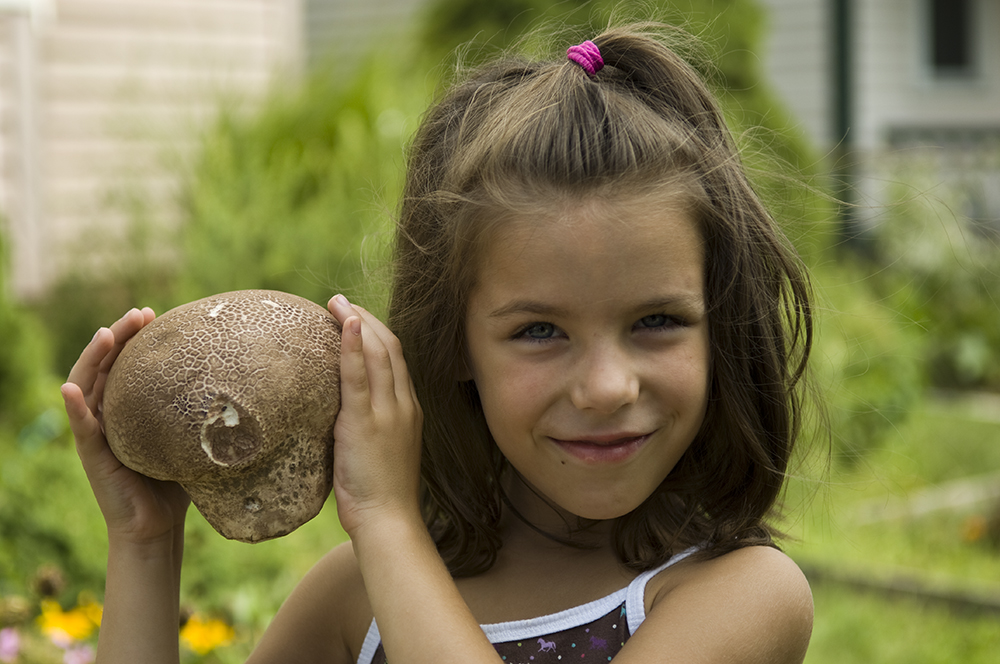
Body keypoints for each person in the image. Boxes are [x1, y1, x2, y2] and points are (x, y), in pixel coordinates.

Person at [62, 24, 816, 664]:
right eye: (540, 331)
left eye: (656, 322)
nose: (608, 386)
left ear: (722, 326)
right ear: (454, 344)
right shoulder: (354, 596)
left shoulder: (739, 596)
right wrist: (145, 542)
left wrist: (387, 522)